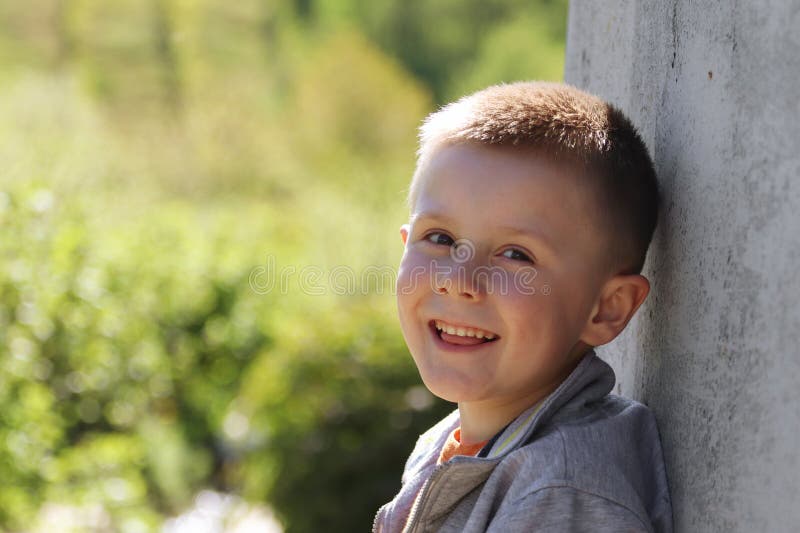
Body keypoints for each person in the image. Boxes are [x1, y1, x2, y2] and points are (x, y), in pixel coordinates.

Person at [372, 81, 673, 532]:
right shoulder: (449, 444)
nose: (459, 281)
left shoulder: (560, 494)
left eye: (515, 255)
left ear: (606, 308)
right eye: (440, 238)